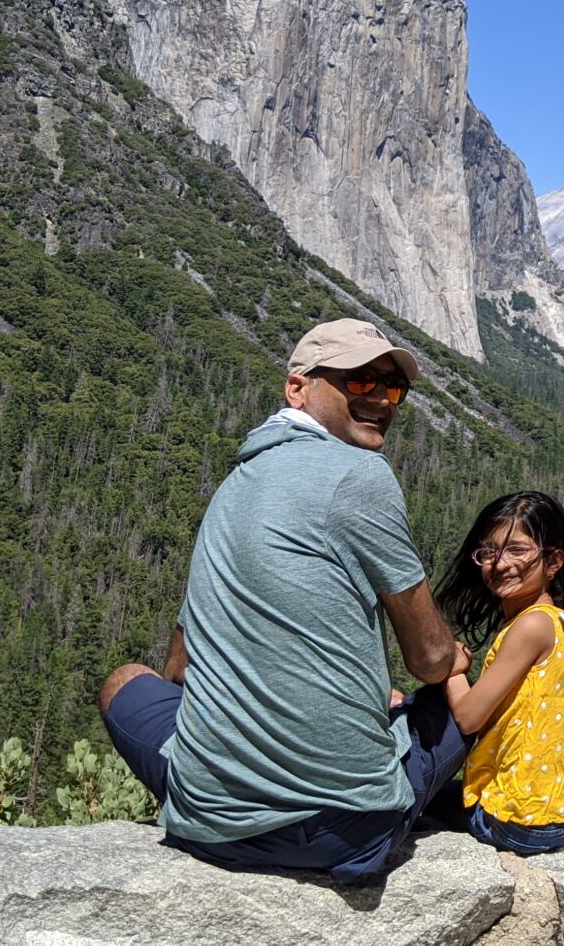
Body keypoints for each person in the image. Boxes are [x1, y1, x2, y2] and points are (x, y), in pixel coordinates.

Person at [96, 318, 472, 884]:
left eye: (392, 387)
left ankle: (231, 794)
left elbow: (177, 670)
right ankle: (444, 803)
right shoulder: (363, 474)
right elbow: (429, 658)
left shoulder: (234, 485)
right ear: (298, 388)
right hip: (343, 834)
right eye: (359, 381)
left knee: (124, 680)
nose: (380, 399)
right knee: (467, 689)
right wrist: (454, 662)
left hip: (208, 823)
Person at [433, 491, 564, 856]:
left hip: (520, 822)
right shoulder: (554, 622)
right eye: (489, 552)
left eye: (517, 550)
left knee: (413, 795)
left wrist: (451, 668)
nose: (500, 563)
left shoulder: (531, 626)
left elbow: (469, 718)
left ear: (553, 562)